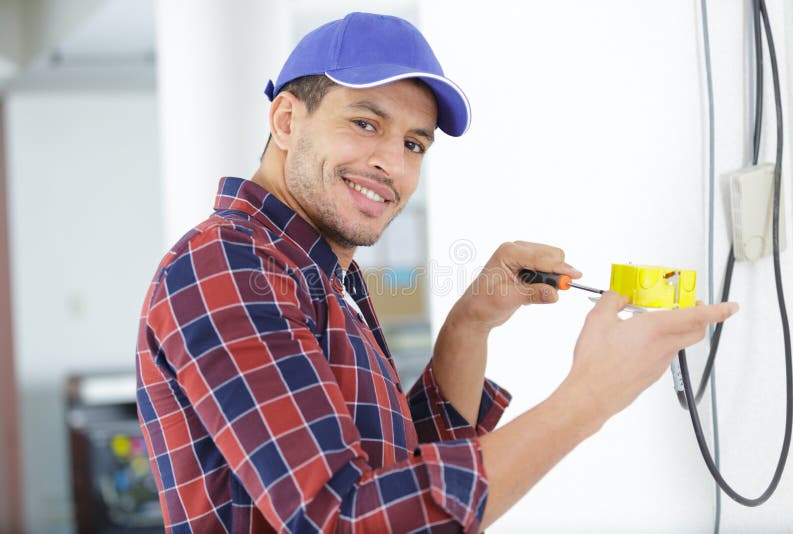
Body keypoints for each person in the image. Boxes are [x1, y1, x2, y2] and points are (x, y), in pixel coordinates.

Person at [136, 12, 738, 533]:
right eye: (366, 123)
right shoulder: (229, 268)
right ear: (287, 121)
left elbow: (400, 473)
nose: (390, 165)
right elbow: (341, 519)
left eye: (414, 145)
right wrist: (587, 399)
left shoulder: (315, 274)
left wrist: (472, 322)